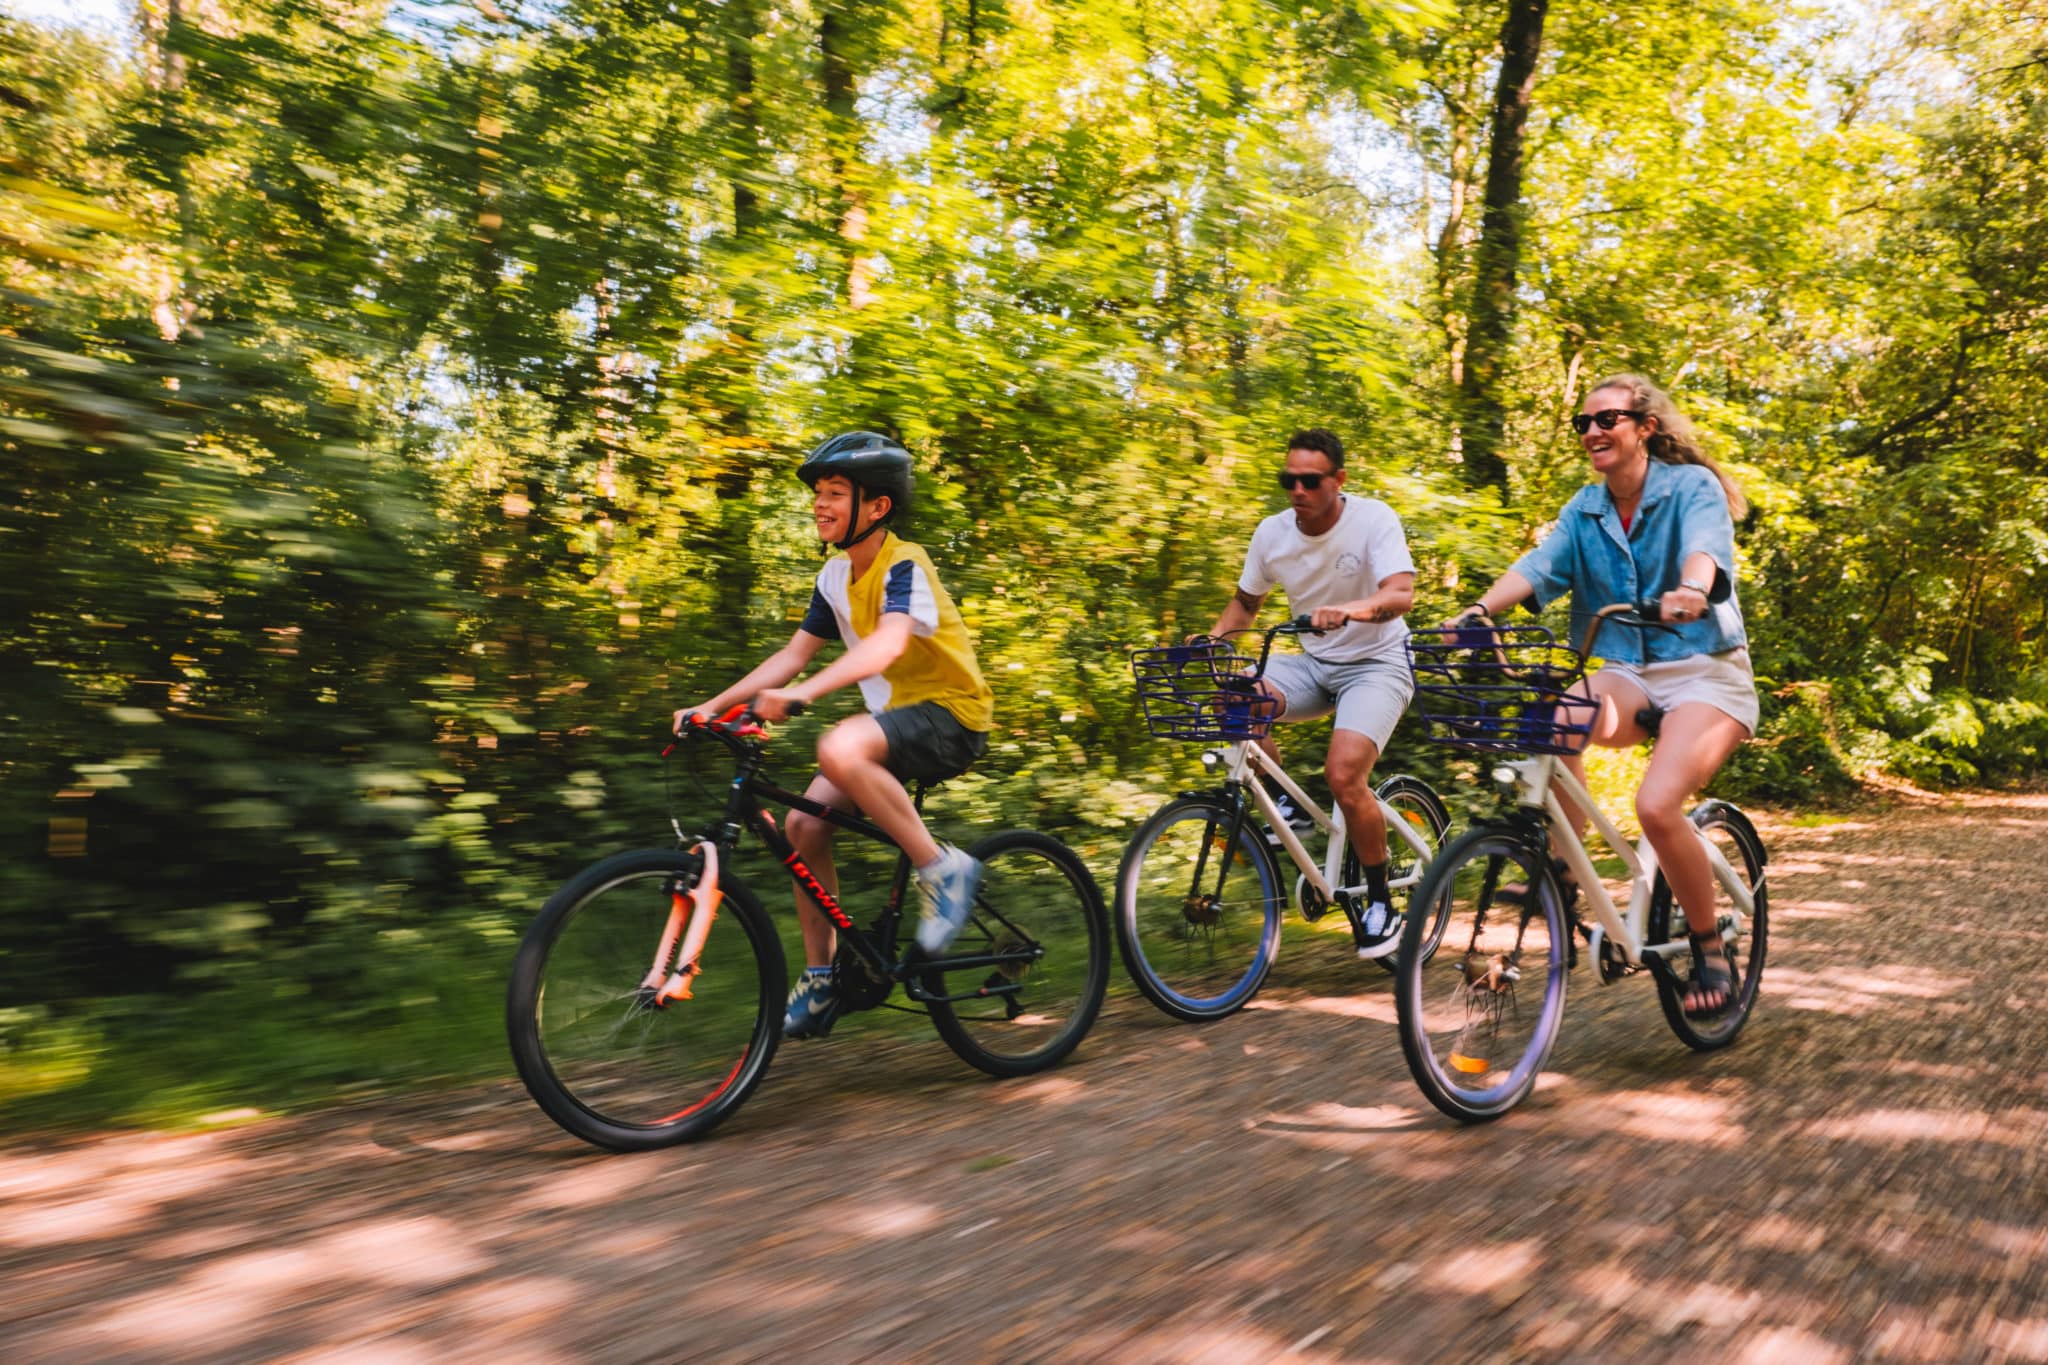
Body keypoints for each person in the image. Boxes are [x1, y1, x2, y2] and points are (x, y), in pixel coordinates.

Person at [675, 431, 995, 1039]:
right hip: (896, 728)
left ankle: (941, 869)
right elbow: (792, 655)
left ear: (877, 506)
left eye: (836, 493)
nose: (820, 504)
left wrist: (804, 695)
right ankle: (822, 979)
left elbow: (888, 643)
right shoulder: (834, 576)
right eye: (819, 493)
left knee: (839, 744)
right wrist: (713, 706)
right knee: (802, 826)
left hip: (951, 717)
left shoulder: (905, 563)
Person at [1457, 373, 1756, 1016]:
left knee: (1656, 806)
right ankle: (1563, 873)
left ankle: (1709, 947)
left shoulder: (1690, 487)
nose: (1592, 430)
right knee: (1551, 722)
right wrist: (1478, 612)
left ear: (1645, 427)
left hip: (1706, 669)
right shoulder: (1585, 509)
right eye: (1584, 423)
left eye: (1607, 419)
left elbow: (1704, 548)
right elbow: (1541, 566)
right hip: (1629, 668)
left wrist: (1691, 590)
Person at [1206, 427, 1418, 957]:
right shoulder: (1272, 534)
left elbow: (1401, 594)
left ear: (1338, 479)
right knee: (1232, 697)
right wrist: (1209, 644)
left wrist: (1349, 611)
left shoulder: (1373, 519)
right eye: (1289, 480)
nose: (1297, 490)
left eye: (1310, 480)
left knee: (1343, 776)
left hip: (1379, 663)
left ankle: (1379, 903)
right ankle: (1287, 806)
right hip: (1315, 664)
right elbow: (1245, 606)